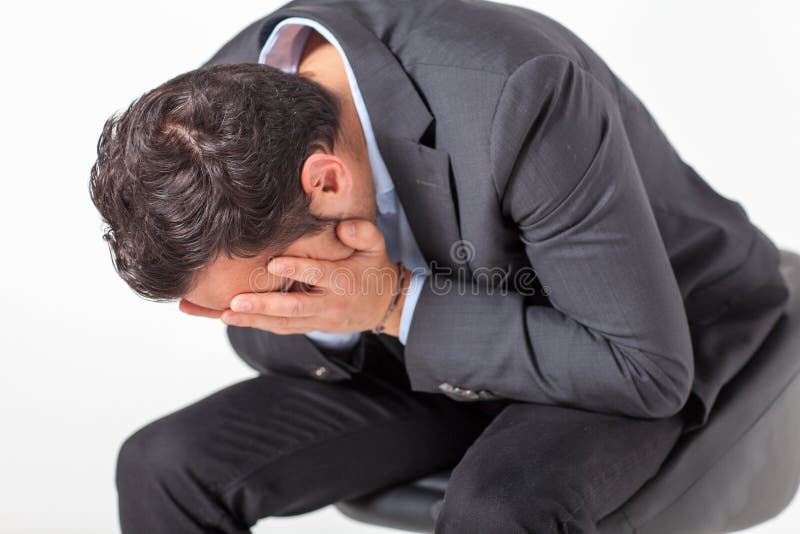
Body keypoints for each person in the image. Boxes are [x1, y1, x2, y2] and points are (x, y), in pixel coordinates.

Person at [88, 0, 791, 532]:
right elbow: (260, 337)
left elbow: (645, 370)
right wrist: (343, 315)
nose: (242, 316)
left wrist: (394, 305)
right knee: (161, 466)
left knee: (497, 506)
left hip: (639, 333)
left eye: (270, 289)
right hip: (422, 347)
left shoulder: (517, 93)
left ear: (326, 183)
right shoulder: (214, 124)